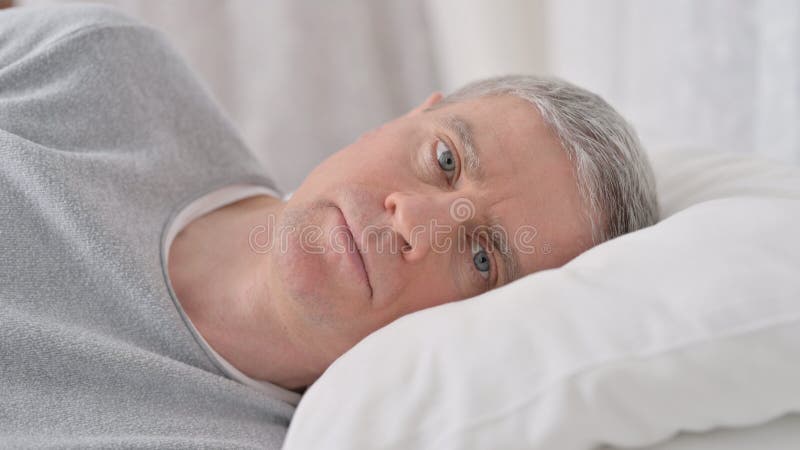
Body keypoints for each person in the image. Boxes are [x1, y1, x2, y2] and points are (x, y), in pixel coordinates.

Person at [0, 4, 658, 449]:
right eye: (447, 160)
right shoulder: (103, 69)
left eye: (483, 259)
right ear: (402, 118)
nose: (417, 222)